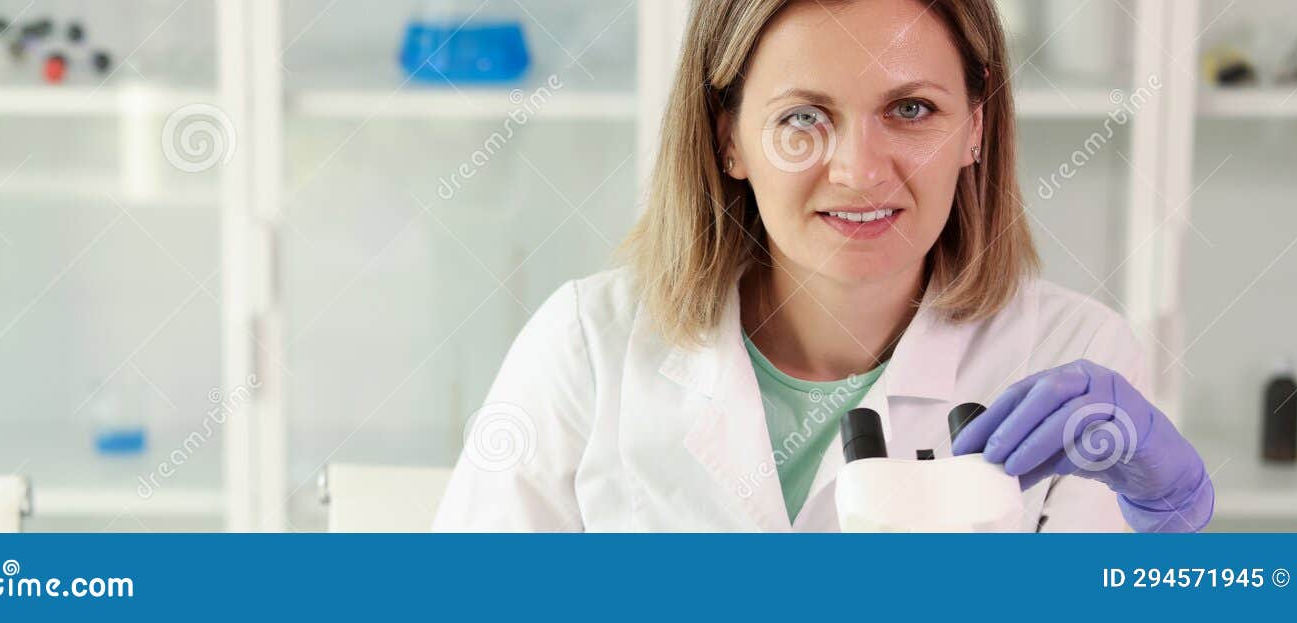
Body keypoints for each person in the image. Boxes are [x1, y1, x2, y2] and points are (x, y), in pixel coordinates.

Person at [434, 0, 1213, 532]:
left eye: (911, 110)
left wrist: (1163, 552)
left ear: (976, 128)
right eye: (803, 118)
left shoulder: (1071, 364)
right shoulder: (587, 350)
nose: (860, 170)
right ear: (727, 138)